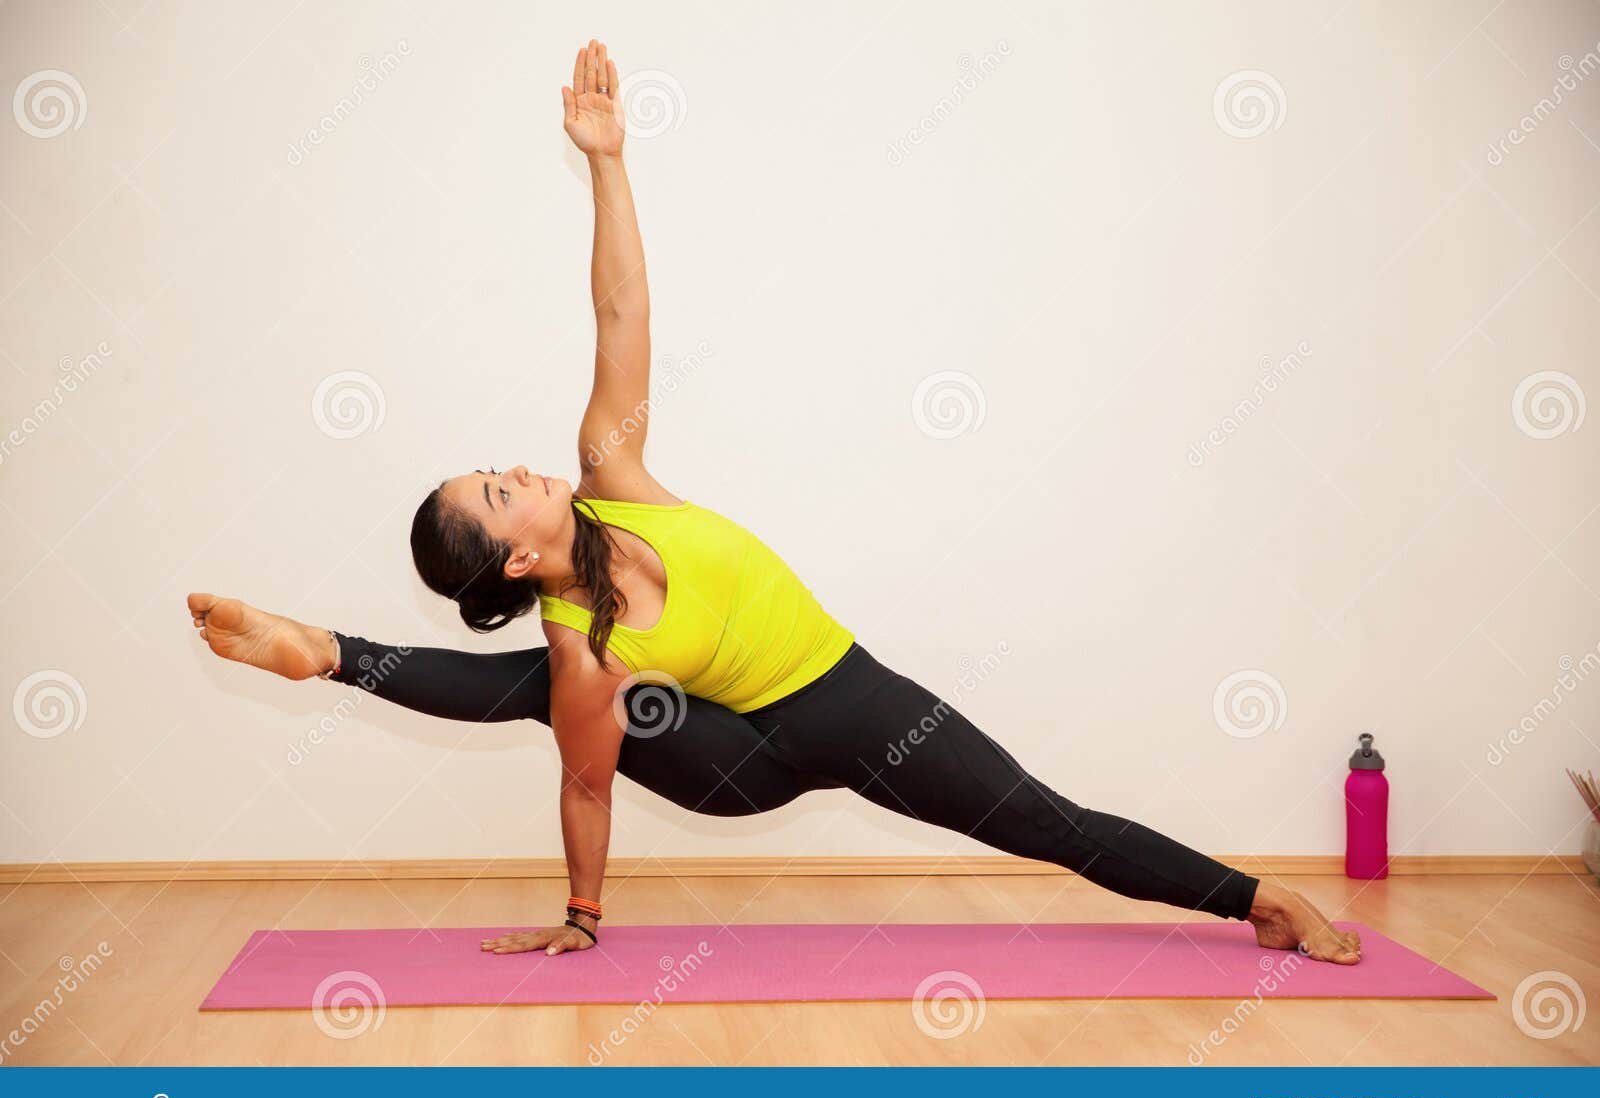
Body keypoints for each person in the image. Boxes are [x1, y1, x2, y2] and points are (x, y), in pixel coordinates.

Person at [187, 38, 1361, 967]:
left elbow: (621, 316)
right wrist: (583, 915)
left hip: (848, 698)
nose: (527, 471)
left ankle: (1260, 901)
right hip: (730, 764)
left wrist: (607, 159)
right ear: (506, 558)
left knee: (1038, 817)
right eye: (502, 491)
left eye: (506, 465)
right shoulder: (577, 648)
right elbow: (588, 778)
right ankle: (328, 651)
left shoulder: (611, 471)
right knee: (561, 691)